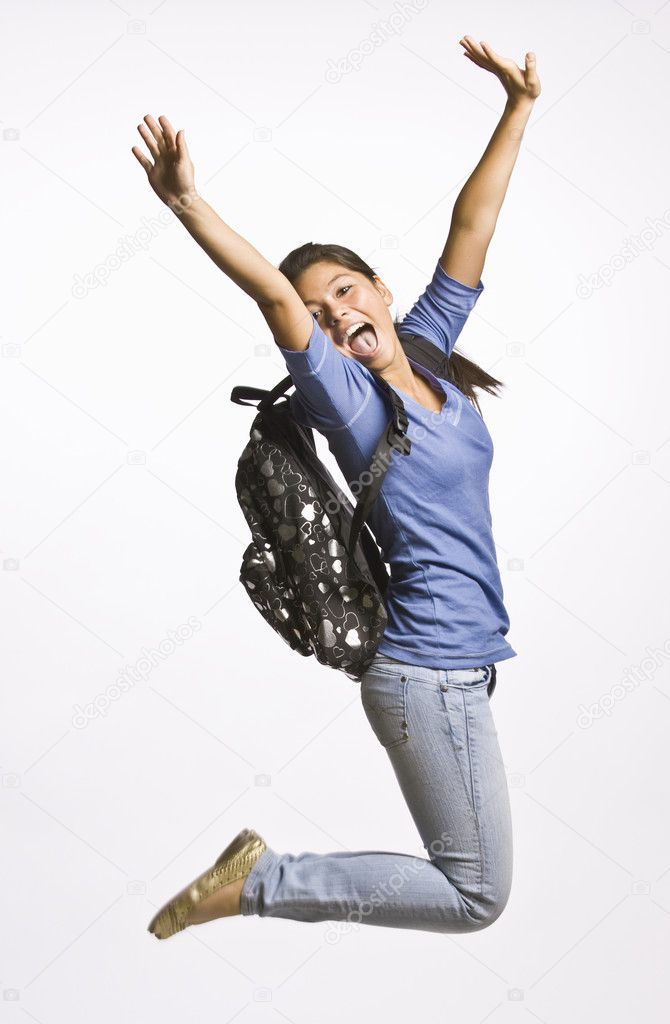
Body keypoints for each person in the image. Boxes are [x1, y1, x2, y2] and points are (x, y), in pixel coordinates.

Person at [135, 36, 541, 941]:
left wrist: (517, 107)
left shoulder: (428, 347)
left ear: (382, 292)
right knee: (476, 895)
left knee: (475, 886)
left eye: (349, 292)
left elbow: (469, 228)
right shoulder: (349, 402)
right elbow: (275, 302)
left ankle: (263, 880)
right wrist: (190, 203)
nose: (338, 314)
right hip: (424, 672)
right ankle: (263, 881)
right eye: (322, 313)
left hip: (461, 670)